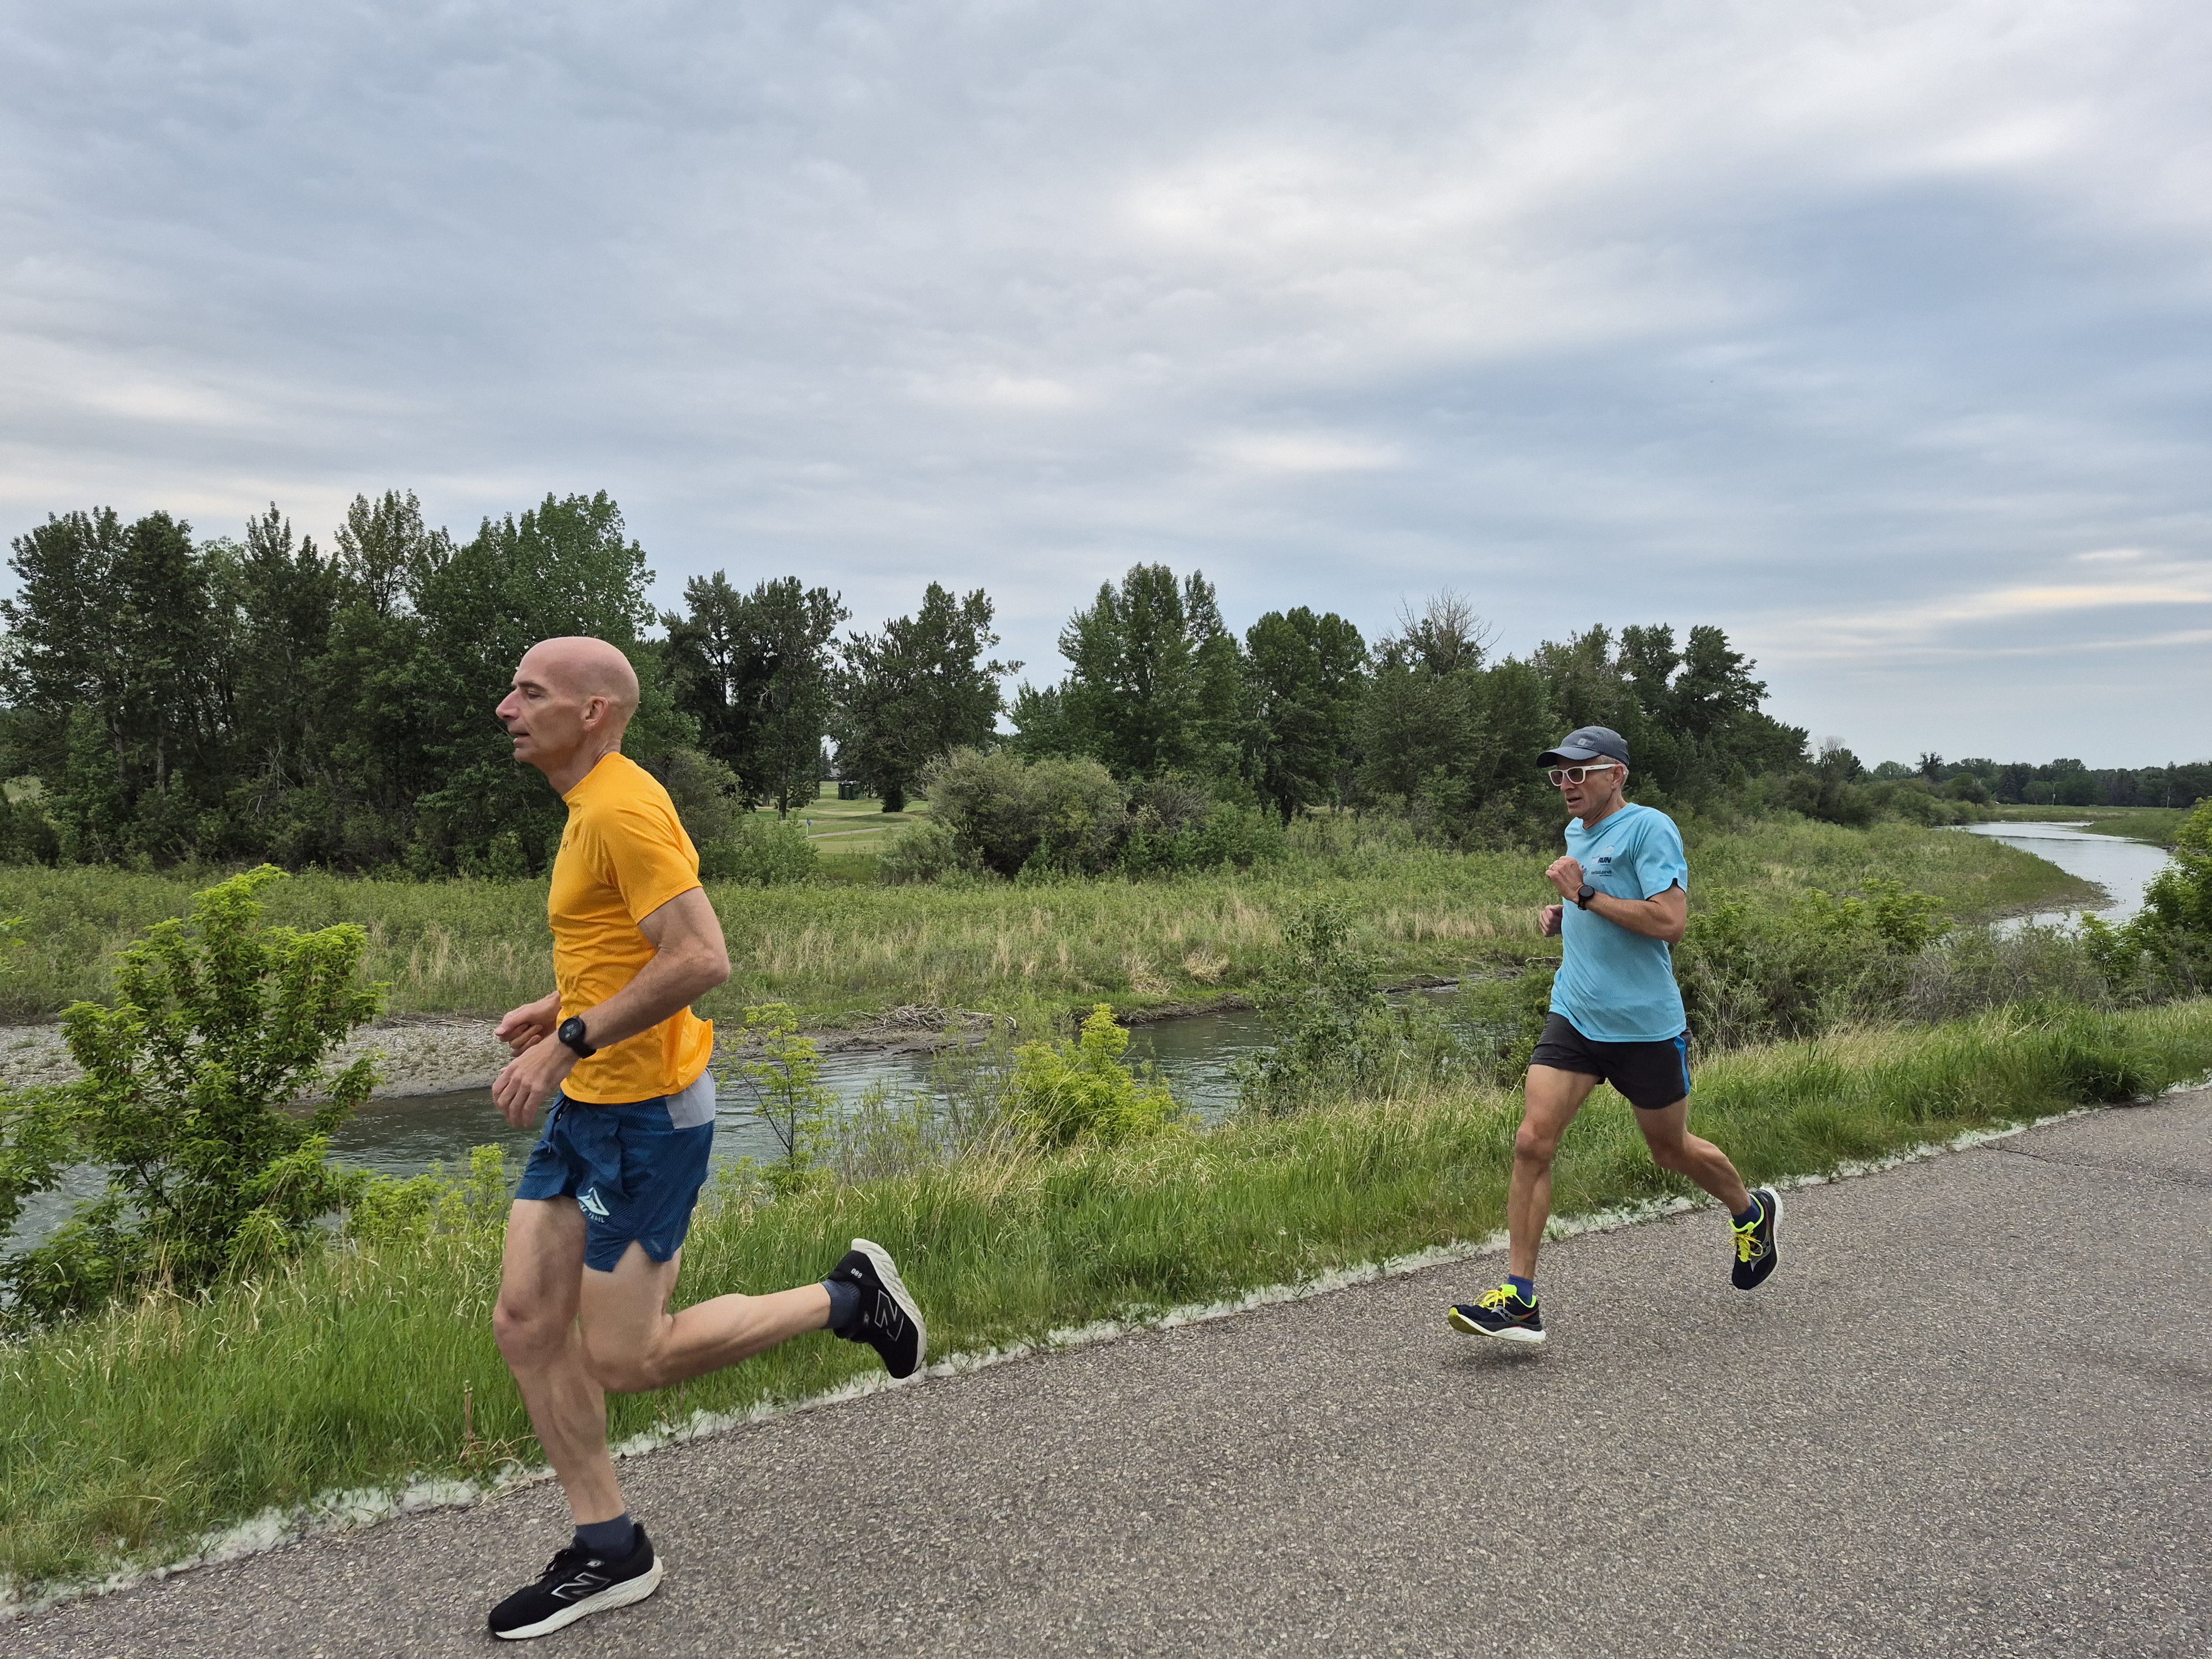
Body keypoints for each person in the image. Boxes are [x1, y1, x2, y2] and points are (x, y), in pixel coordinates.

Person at [482, 636, 925, 1641]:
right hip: (591, 1105)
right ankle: (609, 1550)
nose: (507, 708)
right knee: (525, 1325)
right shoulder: (588, 804)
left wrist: (569, 1042)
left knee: (628, 1359)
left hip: (645, 1119)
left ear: (592, 710)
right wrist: (563, 1006)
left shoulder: (625, 807)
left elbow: (701, 956)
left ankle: (849, 1300)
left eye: (528, 692)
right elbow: (626, 941)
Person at [1447, 725, 1778, 1347]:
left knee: (1670, 1150)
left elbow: (1670, 922)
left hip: (1644, 1028)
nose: (1566, 785)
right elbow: (1591, 905)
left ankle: (1750, 1211)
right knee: (1531, 1142)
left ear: (1615, 774)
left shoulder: (1650, 827)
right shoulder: (1577, 832)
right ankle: (1519, 1298)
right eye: (1558, 774)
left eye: (1579, 772)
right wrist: (1561, 913)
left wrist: (1585, 895)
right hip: (1574, 1014)